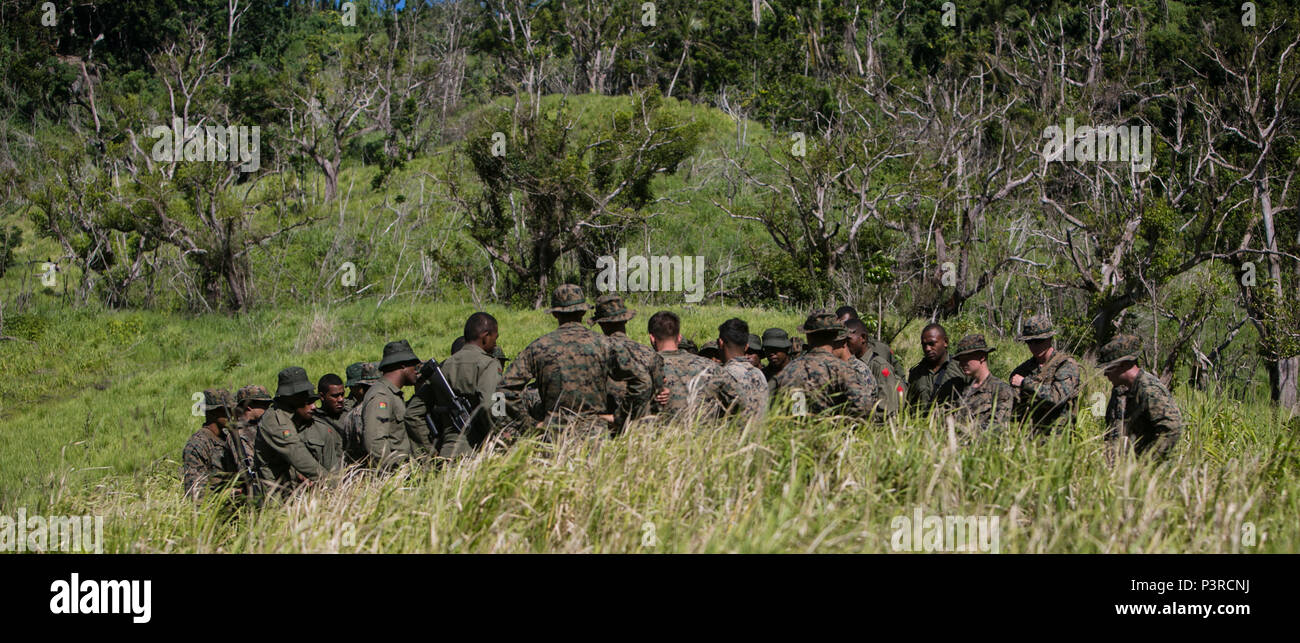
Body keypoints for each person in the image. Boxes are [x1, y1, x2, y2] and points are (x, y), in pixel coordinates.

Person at [495, 284, 652, 438]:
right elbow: (642, 381)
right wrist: (621, 417)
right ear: (583, 311)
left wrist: (528, 425)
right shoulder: (605, 344)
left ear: (555, 314)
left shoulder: (538, 348)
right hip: (595, 434)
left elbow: (503, 389)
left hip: (554, 435)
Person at [771, 312, 877, 418]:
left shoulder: (791, 369)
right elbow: (864, 408)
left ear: (808, 336)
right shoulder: (845, 370)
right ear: (835, 336)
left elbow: (777, 408)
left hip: (796, 432)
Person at [255, 367, 342, 493]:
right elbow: (298, 455)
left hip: (293, 491)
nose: (305, 396)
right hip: (275, 494)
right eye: (301, 393)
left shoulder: (293, 416)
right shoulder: (275, 420)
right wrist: (332, 483)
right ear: (290, 395)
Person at [1099, 334, 1184, 459]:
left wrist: (1145, 463)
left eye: (1109, 368)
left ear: (1123, 365)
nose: (1105, 374)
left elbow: (1171, 430)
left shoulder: (1149, 390)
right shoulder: (1120, 390)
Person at [434, 312, 504, 457]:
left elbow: (414, 413)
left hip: (446, 452)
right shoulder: (489, 364)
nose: (495, 344)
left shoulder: (443, 367)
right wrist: (502, 435)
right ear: (485, 337)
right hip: (475, 452)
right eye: (495, 338)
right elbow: (491, 405)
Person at [591, 294, 665, 426]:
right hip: (639, 428)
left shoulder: (595, 352)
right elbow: (660, 396)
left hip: (602, 426)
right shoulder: (648, 353)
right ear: (626, 320)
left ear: (600, 323)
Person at [1008, 314, 1081, 433]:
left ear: (1050, 339)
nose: (1034, 346)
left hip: (1057, 438)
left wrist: (1025, 383)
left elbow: (1056, 398)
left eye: (1039, 341)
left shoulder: (1066, 365)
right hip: (1029, 436)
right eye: (1030, 342)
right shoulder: (1023, 369)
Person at [362, 340, 424, 468]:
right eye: (414, 366)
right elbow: (375, 443)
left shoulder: (392, 394)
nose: (416, 371)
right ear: (403, 366)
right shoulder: (381, 396)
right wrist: (394, 474)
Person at [648, 310, 717, 419]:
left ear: (652, 338)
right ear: (679, 338)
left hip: (662, 434)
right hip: (708, 433)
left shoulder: (645, 367)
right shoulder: (710, 366)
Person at [700, 318, 769, 423]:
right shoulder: (759, 373)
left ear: (720, 343)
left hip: (732, 437)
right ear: (746, 347)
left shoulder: (722, 375)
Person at [946, 334, 1016, 436]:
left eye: (967, 358)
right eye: (960, 360)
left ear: (982, 357)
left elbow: (998, 427)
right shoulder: (962, 390)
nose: (962, 364)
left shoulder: (1000, 389)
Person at [180, 388, 236, 501]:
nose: (231, 414)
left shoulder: (228, 438)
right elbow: (196, 492)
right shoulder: (198, 444)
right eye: (225, 410)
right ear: (213, 412)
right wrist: (225, 495)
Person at [844, 318, 905, 418]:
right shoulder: (849, 364)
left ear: (863, 338)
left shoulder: (879, 366)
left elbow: (886, 409)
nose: (845, 344)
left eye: (848, 340)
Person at [906, 323, 964, 408]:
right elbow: (909, 406)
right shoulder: (916, 373)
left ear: (945, 342)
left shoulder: (961, 368)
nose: (927, 349)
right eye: (924, 345)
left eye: (932, 344)